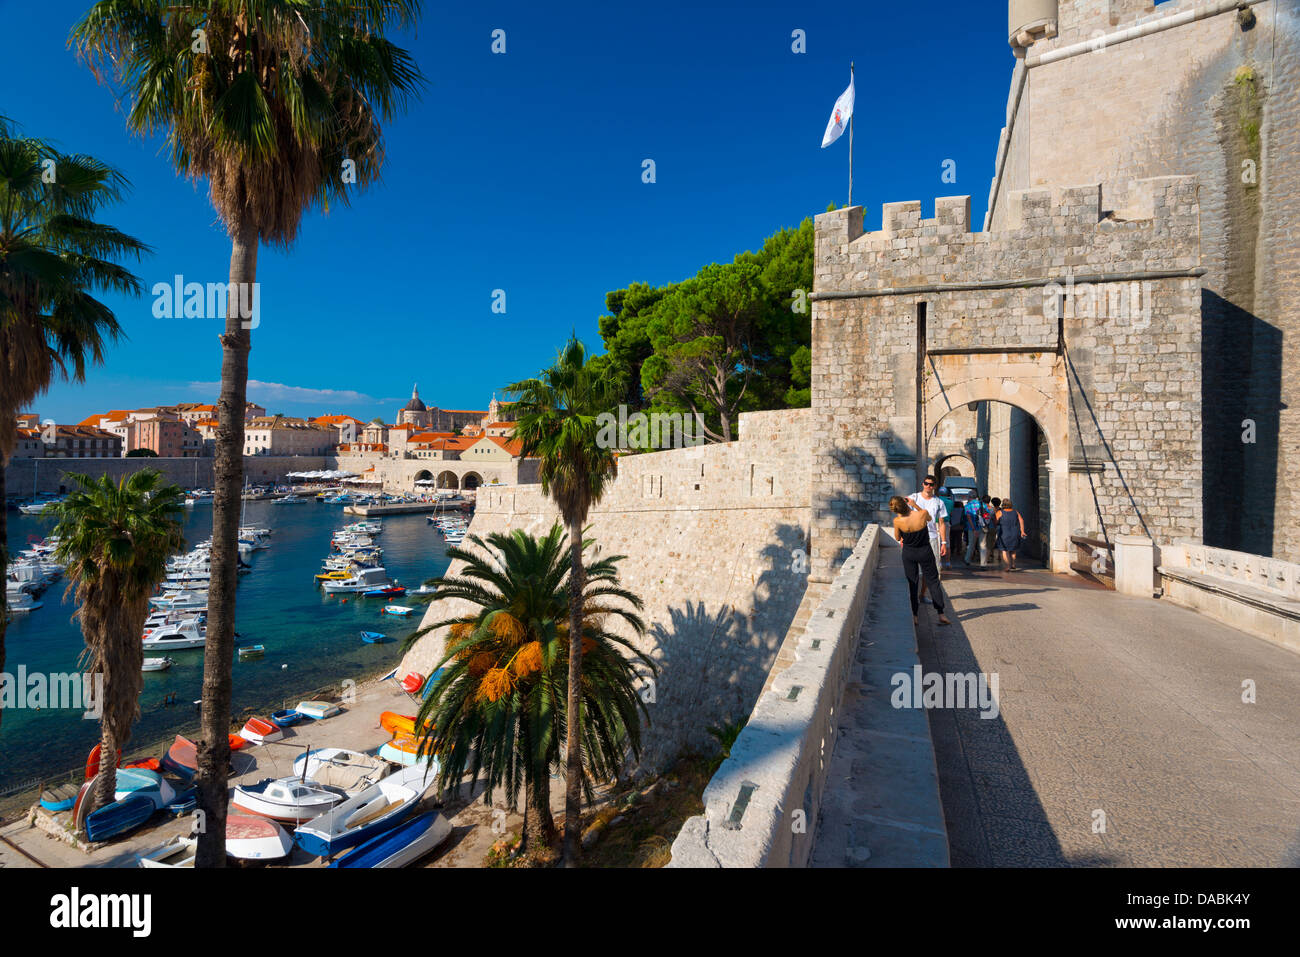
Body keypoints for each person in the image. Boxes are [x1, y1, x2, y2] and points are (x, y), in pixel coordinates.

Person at [890, 496, 951, 626]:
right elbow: (929, 519)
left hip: (909, 553)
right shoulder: (922, 514)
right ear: (906, 504)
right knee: (933, 581)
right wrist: (915, 505)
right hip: (925, 551)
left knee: (913, 583)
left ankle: (915, 616)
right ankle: (941, 613)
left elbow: (897, 537)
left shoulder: (897, 521)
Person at [908, 476, 949, 602]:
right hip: (914, 537)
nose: (928, 486)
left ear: (935, 486)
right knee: (913, 569)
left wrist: (943, 542)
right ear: (922, 484)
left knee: (934, 569)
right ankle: (912, 597)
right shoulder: (913, 497)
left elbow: (941, 523)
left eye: (931, 484)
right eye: (926, 483)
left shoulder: (939, 502)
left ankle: (922, 594)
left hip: (931, 537)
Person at [995, 497, 1027, 571]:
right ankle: (1013, 564)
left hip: (1004, 533)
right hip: (1015, 533)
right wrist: (1022, 531)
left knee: (1004, 550)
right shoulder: (1015, 512)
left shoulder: (1000, 512)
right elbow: (1021, 520)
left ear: (1003, 505)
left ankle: (1007, 566)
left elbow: (995, 522)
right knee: (1013, 550)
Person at [964, 494, 989, 565]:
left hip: (972, 528)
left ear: (969, 497)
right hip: (983, 527)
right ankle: (983, 564)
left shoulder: (968, 506)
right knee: (983, 545)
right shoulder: (983, 504)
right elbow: (987, 515)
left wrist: (974, 529)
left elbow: (969, 518)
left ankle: (967, 560)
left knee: (971, 544)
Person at [936, 486, 957, 568]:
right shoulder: (950, 502)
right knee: (946, 542)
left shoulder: (935, 501)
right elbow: (951, 513)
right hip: (946, 522)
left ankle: (939, 563)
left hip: (936, 523)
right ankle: (948, 563)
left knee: (937, 542)